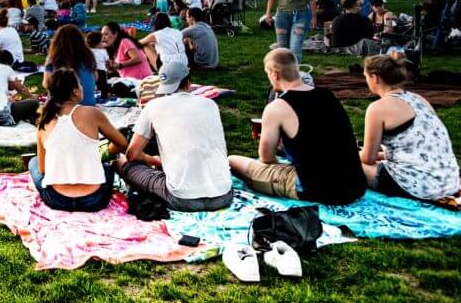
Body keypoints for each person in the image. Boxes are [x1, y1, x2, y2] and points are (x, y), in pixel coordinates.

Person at [229, 49, 366, 205]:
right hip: (355, 185)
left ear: (274, 74)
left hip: (320, 189)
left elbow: (266, 158)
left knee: (233, 160)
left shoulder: (277, 107)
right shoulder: (327, 95)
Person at [116, 60, 233, 211]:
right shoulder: (210, 105)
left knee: (121, 160)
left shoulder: (153, 106)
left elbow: (132, 154)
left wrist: (154, 160)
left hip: (181, 198)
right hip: (223, 195)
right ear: (188, 81)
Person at [359, 55, 460, 201]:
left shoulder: (377, 108)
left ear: (374, 78)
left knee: (343, 163)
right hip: (448, 180)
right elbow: (418, 146)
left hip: (421, 186)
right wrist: (381, 156)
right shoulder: (419, 99)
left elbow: (368, 158)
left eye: (366, 76)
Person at [28, 68, 129, 212]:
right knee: (106, 167)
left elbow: (43, 169)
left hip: (57, 199)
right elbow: (122, 143)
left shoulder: (44, 121)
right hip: (94, 200)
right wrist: (101, 154)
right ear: (75, 91)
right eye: (80, 85)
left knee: (34, 162)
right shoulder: (92, 113)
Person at [43, 24, 98, 106]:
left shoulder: (53, 59)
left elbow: (47, 84)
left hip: (65, 107)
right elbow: (96, 78)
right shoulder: (89, 56)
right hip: (89, 103)